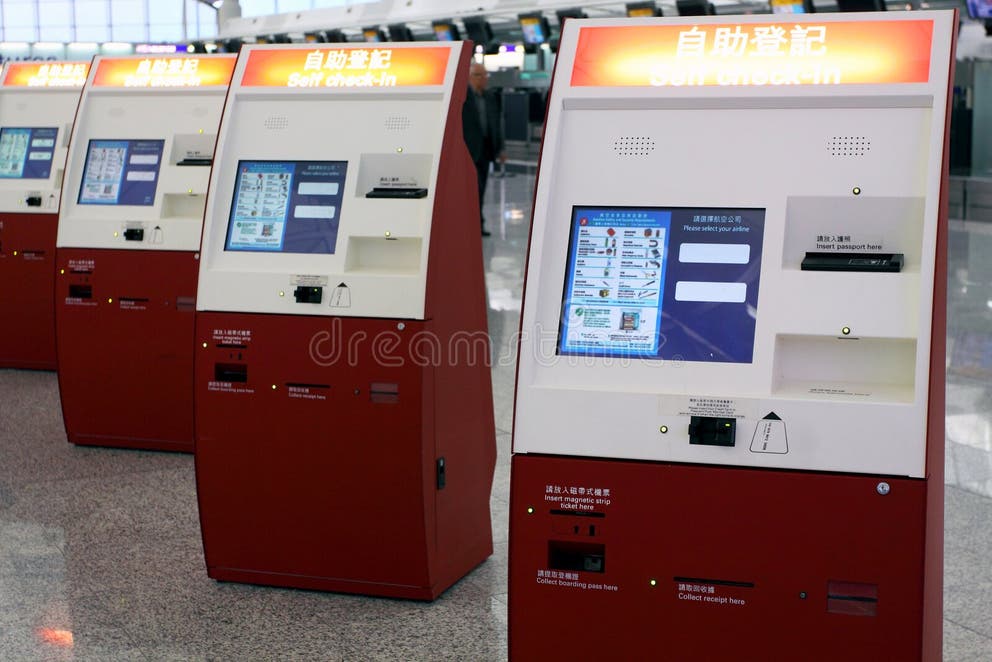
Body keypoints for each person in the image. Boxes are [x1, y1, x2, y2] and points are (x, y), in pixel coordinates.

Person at [462, 62, 505, 237]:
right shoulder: (463, 97)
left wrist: (500, 148)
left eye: (485, 75)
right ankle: (470, 225)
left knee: (482, 189)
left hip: (486, 150)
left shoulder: (490, 96)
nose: (484, 78)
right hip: (468, 151)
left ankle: (478, 225)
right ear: (470, 77)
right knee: (472, 190)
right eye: (480, 75)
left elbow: (496, 123)